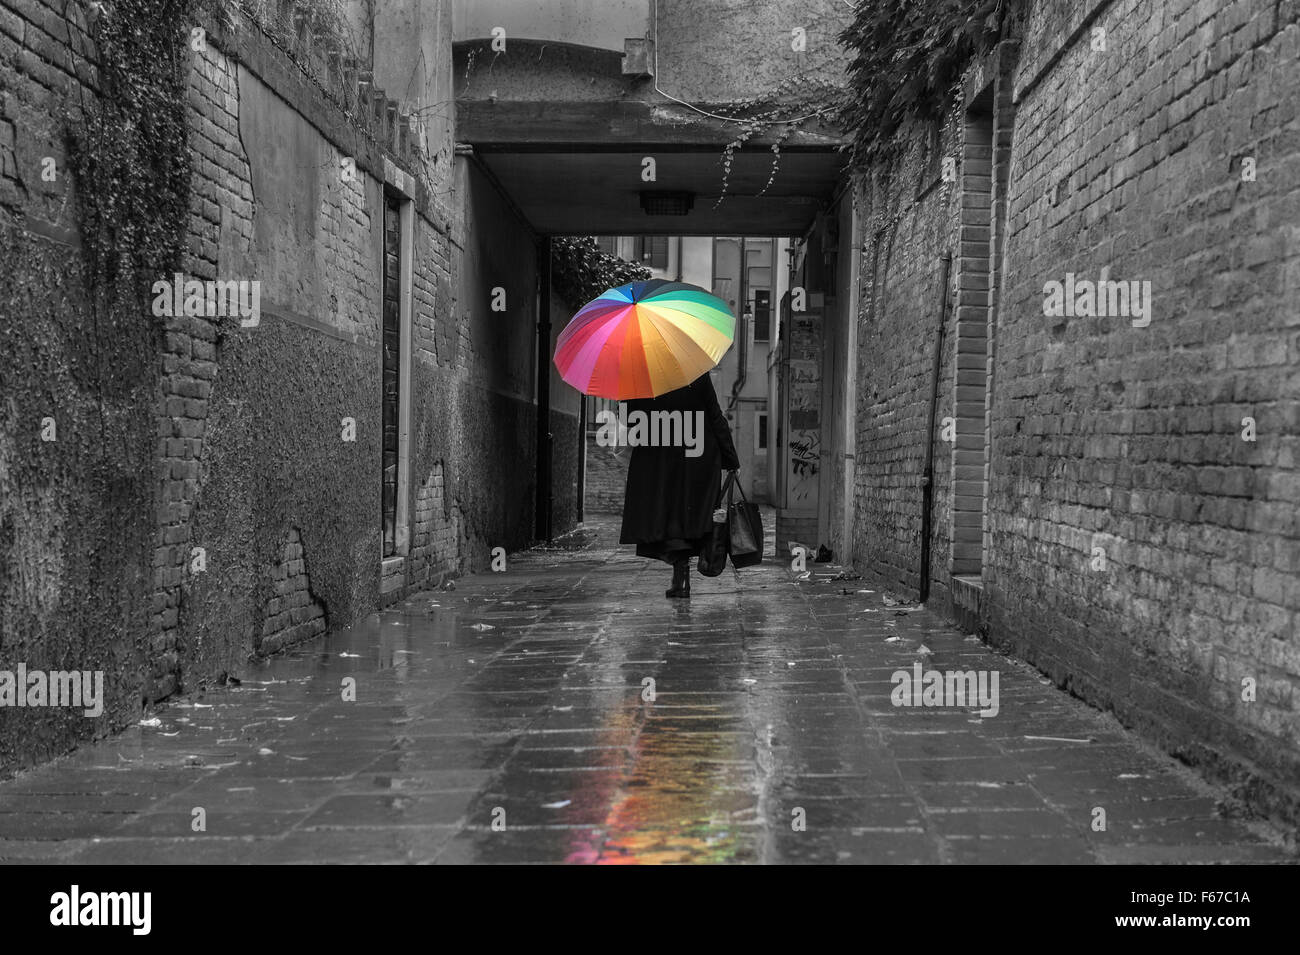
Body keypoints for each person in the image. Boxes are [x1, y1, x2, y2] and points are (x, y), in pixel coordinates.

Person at [619, 372, 741, 598]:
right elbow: (715, 415)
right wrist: (731, 458)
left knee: (669, 516)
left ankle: (680, 576)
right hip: (697, 456)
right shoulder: (695, 373)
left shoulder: (641, 376)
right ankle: (682, 575)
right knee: (689, 515)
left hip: (659, 455)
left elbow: (629, 419)